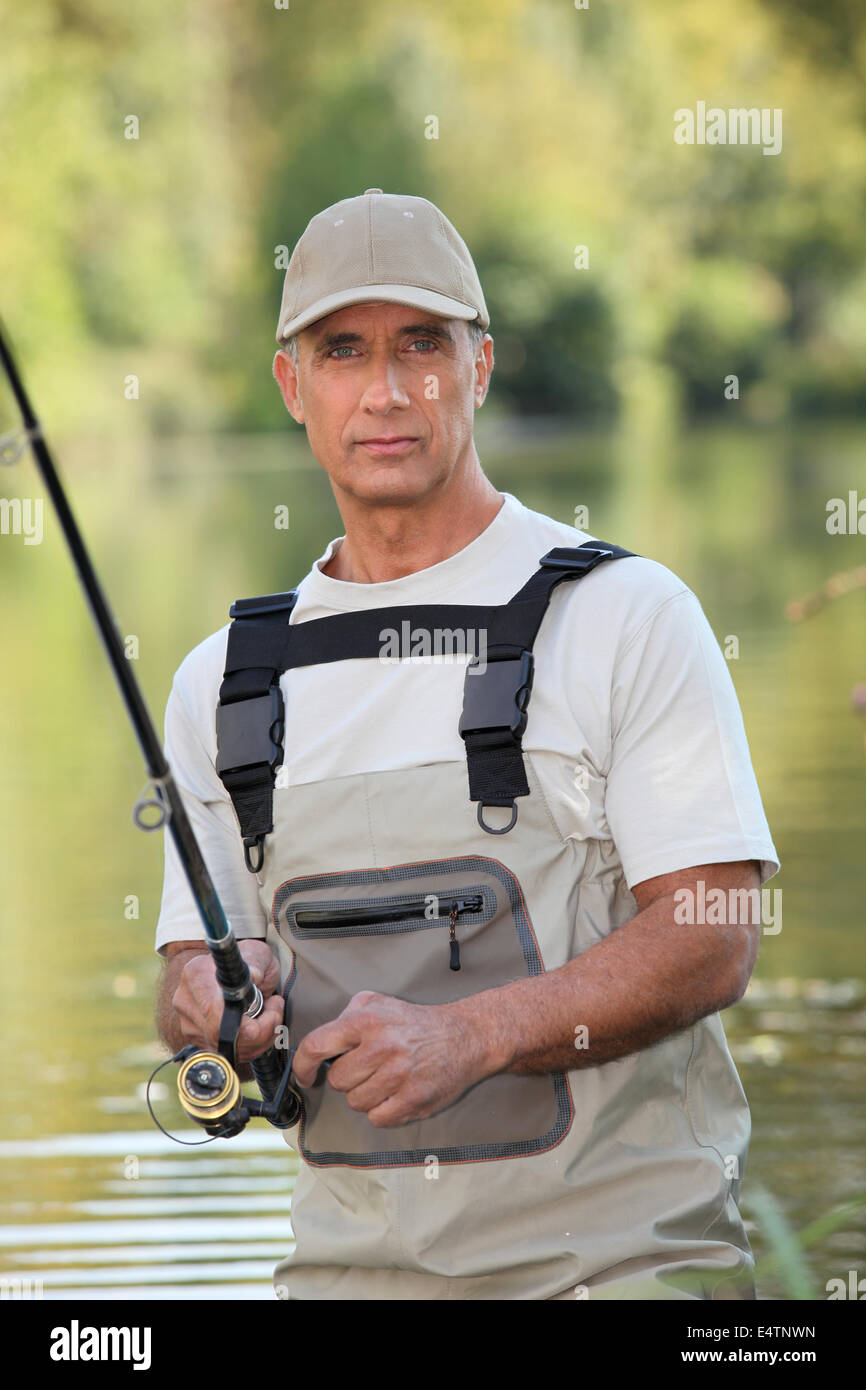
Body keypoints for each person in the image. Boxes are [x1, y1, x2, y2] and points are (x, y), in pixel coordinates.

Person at [155, 188, 780, 1301]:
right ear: (293, 385)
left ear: (479, 367)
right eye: (344, 350)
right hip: (344, 1279)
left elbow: (712, 933)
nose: (387, 391)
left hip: (624, 1270)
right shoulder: (219, 683)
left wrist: (474, 1034)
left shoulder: (628, 614)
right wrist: (210, 997)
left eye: (422, 346)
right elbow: (184, 987)